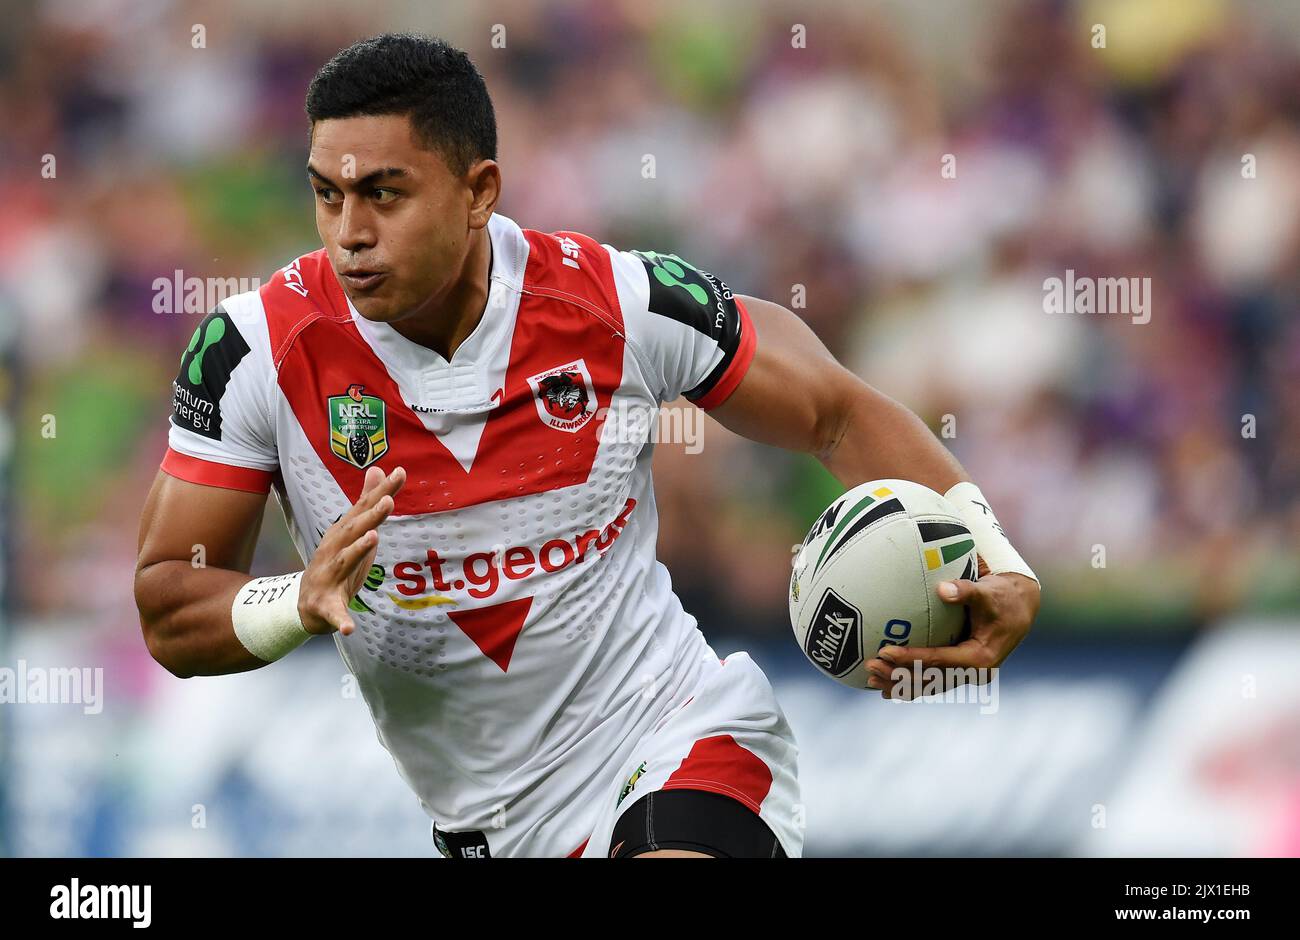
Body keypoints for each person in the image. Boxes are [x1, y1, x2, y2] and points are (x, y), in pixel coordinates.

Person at [134, 33, 1040, 858]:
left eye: (384, 194)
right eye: (327, 196)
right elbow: (170, 604)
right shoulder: (252, 353)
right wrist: (295, 599)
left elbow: (834, 410)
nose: (349, 233)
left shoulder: (613, 301)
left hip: (675, 735)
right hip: (491, 828)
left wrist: (997, 558)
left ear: (480, 191)